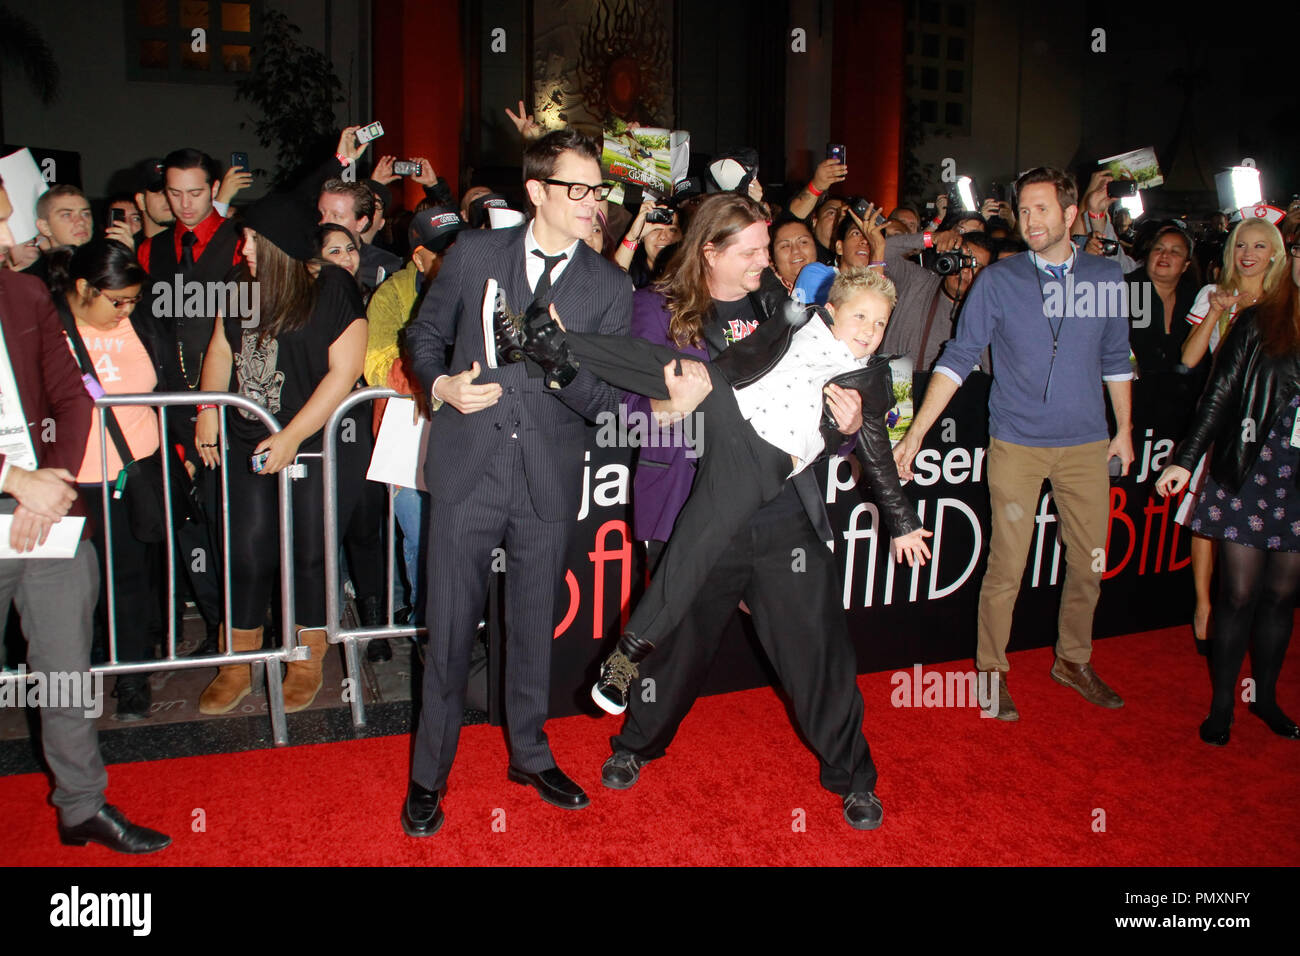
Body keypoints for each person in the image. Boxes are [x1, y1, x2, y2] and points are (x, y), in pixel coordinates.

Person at [401, 129, 632, 835]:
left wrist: (563, 366)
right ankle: (427, 776)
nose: (594, 203)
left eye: (599, 191)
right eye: (579, 190)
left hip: (545, 481)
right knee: (446, 634)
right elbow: (421, 335)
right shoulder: (474, 253)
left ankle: (529, 754)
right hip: (470, 470)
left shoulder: (610, 286)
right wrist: (440, 384)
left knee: (534, 627)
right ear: (536, 192)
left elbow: (611, 407)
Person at [893, 166, 1136, 721]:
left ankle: (1073, 659)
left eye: (1042, 209)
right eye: (1023, 210)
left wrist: (1123, 430)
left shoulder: (1104, 278)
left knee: (1090, 563)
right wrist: (916, 433)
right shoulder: (998, 282)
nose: (1030, 220)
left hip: (1086, 445)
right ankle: (992, 671)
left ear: (1070, 214)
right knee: (1008, 563)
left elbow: (1116, 359)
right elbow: (956, 359)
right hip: (1017, 443)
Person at [0, 176, 169, 852]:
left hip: (49, 511)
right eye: (4, 207)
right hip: (21, 490)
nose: (11, 218)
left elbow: (72, 397)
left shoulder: (22, 293)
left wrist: (53, 480)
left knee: (66, 667)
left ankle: (81, 806)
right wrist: (13, 478)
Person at [193, 193, 368, 715]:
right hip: (249, 433)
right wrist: (206, 411)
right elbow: (222, 348)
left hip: (317, 440)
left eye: (252, 240)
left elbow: (345, 372)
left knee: (309, 551)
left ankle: (306, 660)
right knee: (245, 550)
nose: (243, 247)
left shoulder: (331, 286)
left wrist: (292, 436)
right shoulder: (239, 285)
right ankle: (236, 663)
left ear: (282, 246)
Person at [1154, 236, 1300, 745]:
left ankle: (1265, 698)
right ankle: (1222, 707)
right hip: (1248, 469)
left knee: (1282, 597)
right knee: (1237, 595)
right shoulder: (1256, 321)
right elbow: (1217, 394)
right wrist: (1186, 460)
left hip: (1298, 482)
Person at [49, 240, 168, 721]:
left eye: (133, 300)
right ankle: (78, 674)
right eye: (116, 300)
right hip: (67, 480)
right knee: (69, 587)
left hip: (130, 469)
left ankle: (134, 678)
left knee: (128, 580)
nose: (125, 310)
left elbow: (169, 382)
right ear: (83, 288)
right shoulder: (48, 326)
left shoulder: (138, 322)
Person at [1175, 218, 1289, 647]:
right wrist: (1218, 312)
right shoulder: (1213, 295)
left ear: (1274, 253)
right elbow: (1188, 359)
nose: (1249, 253)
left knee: (1256, 519)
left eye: (1260, 246)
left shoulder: (1285, 301)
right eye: (1242, 244)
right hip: (1220, 418)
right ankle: (1204, 605)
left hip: (1270, 426)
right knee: (1206, 520)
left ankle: (1246, 605)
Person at [363, 205, 464, 639]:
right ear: (419, 256)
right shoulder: (390, 296)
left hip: (469, 425)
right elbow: (376, 364)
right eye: (445, 251)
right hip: (406, 431)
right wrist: (440, 375)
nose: (457, 255)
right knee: (420, 532)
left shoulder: (480, 282)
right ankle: (428, 623)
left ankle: (462, 620)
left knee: (464, 533)